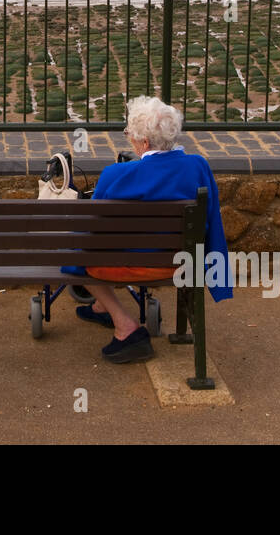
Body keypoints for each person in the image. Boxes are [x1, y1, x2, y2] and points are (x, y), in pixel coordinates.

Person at [69, 95, 233, 363]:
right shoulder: (199, 167)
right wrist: (219, 277)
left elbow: (93, 229)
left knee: (77, 253)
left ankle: (125, 326)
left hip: (128, 265)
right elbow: (213, 222)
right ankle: (101, 308)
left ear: (144, 142)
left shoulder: (116, 174)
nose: (130, 141)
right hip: (183, 265)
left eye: (130, 135)